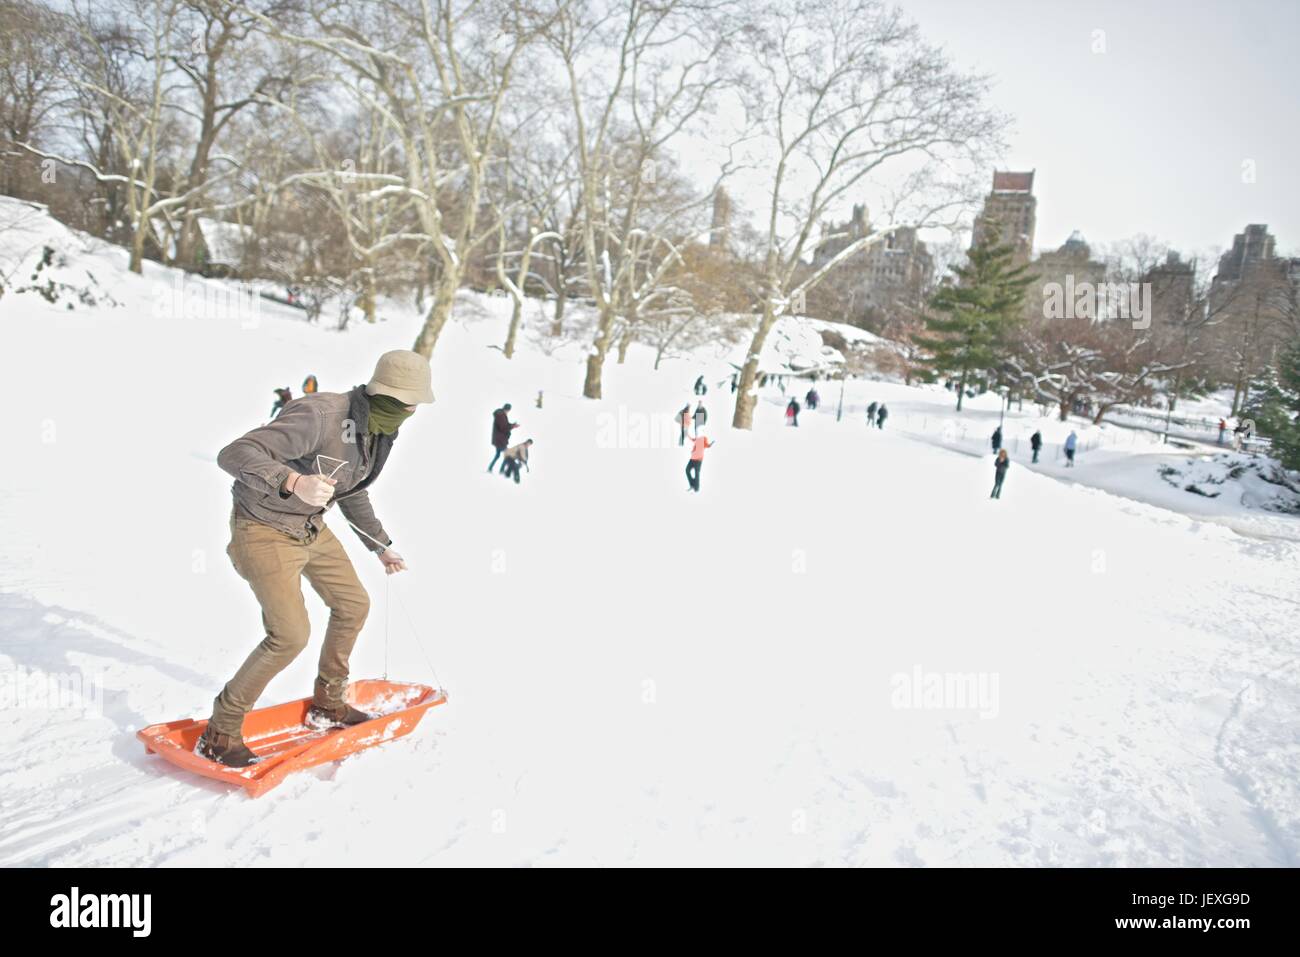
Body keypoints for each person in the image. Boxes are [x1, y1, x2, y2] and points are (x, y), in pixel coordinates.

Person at [197, 350, 434, 767]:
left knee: (353, 605)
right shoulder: (322, 414)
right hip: (263, 528)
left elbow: (353, 488)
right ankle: (221, 731)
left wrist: (379, 545)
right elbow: (234, 453)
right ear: (385, 394)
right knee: (289, 636)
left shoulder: (378, 430)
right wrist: (291, 481)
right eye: (407, 401)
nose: (412, 410)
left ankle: (329, 705)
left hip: (310, 528)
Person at [489, 403, 517, 471]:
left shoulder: (501, 415)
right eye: (509, 410)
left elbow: (505, 425)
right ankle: (502, 470)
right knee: (508, 454)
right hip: (500, 440)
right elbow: (503, 428)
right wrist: (513, 426)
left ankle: (490, 468)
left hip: (499, 440)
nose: (508, 412)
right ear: (507, 409)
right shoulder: (501, 415)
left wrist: (512, 425)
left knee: (498, 455)